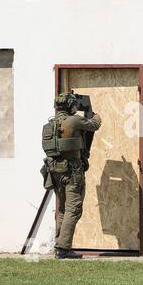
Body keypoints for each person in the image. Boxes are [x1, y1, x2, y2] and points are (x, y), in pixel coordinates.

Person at [40, 90, 101, 259]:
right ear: (69, 106)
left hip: (55, 172)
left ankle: (60, 244)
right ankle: (63, 248)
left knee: (62, 209)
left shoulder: (49, 126)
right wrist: (97, 115)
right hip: (73, 172)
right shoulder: (73, 121)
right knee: (73, 209)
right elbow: (94, 125)